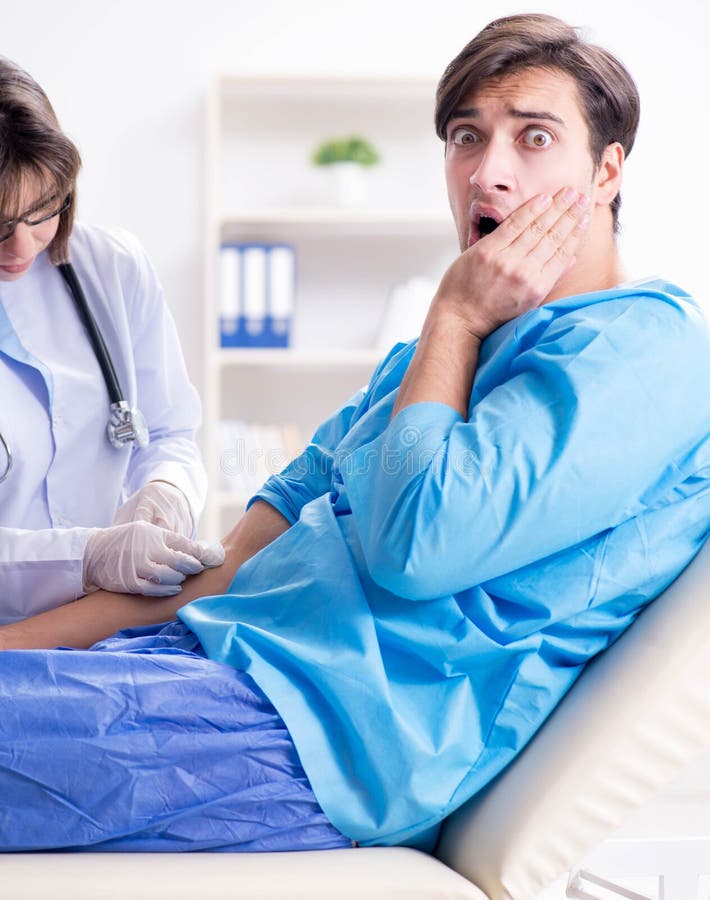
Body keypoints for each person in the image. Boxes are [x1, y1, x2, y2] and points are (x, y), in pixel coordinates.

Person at [1, 13, 709, 855]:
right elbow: (236, 560)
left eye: (534, 138)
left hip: (315, 739)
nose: (489, 174)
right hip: (207, 661)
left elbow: (420, 545)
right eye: (465, 137)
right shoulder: (427, 364)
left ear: (607, 170)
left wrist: (453, 312)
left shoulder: (647, 350)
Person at [0, 56, 224, 624]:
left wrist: (166, 494)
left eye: (42, 211)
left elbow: (170, 432)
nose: (23, 247)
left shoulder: (110, 267)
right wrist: (87, 555)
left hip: (112, 624)